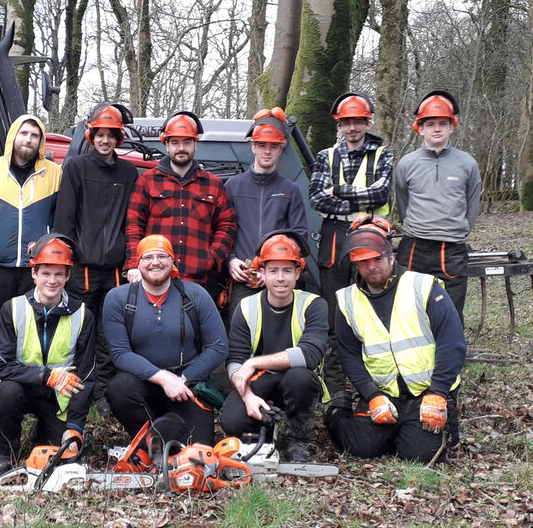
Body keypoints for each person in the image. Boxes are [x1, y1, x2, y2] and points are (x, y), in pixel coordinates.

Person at [325, 218, 466, 463]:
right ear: (356, 265)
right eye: (363, 262)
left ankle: (409, 431)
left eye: (377, 259)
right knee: (359, 447)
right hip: (385, 394)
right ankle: (337, 412)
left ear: (391, 257)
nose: (372, 267)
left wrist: (439, 392)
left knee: (420, 455)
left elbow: (452, 342)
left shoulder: (422, 287)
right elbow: (348, 355)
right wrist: (371, 395)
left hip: (426, 393)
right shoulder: (347, 301)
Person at [0, 235, 96, 476]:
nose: (51, 280)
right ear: (34, 274)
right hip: (22, 386)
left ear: (67, 275)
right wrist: (46, 375)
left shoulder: (83, 314)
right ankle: (2, 452)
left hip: (58, 396)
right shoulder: (12, 308)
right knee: (6, 392)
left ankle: (46, 431)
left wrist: (75, 426)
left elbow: (86, 376)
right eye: (45, 273)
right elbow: (1, 367)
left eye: (58, 274)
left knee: (63, 459)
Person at [307, 92, 394, 406]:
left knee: (373, 312)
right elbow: (317, 198)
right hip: (334, 235)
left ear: (368, 121)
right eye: (347, 122)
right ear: (339, 124)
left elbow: (382, 191)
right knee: (333, 317)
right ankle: (335, 389)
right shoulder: (325, 156)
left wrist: (340, 191)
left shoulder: (382, 153)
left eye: (358, 121)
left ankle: (377, 384)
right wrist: (362, 199)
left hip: (369, 234)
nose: (353, 127)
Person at [102, 234, 228, 445]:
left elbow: (219, 347)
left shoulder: (195, 295)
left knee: (196, 449)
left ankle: (167, 437)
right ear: (138, 263)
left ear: (172, 261)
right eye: (148, 257)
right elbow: (120, 353)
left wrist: (183, 378)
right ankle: (149, 444)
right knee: (119, 388)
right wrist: (163, 378)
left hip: (186, 384)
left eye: (162, 256)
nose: (155, 262)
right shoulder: (118, 298)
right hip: (142, 383)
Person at [53, 102, 137, 405]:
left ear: (118, 138)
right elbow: (65, 217)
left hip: (115, 269)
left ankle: (102, 394)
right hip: (81, 267)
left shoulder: (129, 172)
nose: (105, 140)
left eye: (111, 135)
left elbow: (132, 220)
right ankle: (77, 389)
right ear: (92, 136)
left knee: (109, 332)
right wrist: (66, 258)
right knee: (78, 330)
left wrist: (131, 260)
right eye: (100, 134)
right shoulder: (76, 167)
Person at [0, 114, 63, 383]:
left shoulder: (54, 173)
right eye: (24, 133)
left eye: (35, 135)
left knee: (33, 324)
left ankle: (30, 379)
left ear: (40, 141)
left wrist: (47, 243)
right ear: (13, 137)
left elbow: (61, 215)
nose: (28, 139)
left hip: (37, 266)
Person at [221, 232, 328, 461]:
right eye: (273, 271)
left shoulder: (313, 304)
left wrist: (254, 362)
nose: (281, 278)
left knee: (301, 377)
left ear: (298, 273)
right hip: (260, 381)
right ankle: (266, 432)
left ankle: (296, 440)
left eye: (287, 271)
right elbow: (235, 361)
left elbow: (310, 355)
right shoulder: (246, 307)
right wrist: (247, 395)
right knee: (231, 420)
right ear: (262, 273)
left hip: (296, 381)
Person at [125, 110, 237, 307]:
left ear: (196, 143)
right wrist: (135, 263)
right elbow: (134, 225)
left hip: (198, 283)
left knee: (195, 335)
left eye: (187, 142)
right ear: (166, 144)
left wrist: (212, 258)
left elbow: (228, 224)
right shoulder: (147, 181)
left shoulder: (213, 184)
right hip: (154, 280)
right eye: (175, 142)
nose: (181, 148)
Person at [394, 90, 482, 320]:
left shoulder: (467, 163)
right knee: (409, 305)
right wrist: (416, 226)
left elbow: (472, 204)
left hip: (451, 248)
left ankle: (449, 354)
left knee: (451, 310)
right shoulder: (407, 164)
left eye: (443, 123)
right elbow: (403, 202)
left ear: (452, 126)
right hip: (415, 245)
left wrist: (459, 229)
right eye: (430, 123)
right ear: (420, 128)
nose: (437, 129)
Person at [223, 108, 312, 327]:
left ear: (281, 149)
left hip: (278, 279)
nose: (267, 151)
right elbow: (223, 230)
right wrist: (230, 261)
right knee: (241, 339)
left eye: (273, 146)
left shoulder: (289, 190)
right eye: (262, 145)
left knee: (279, 340)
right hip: (243, 278)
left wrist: (273, 268)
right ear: (253, 146)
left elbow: (299, 236)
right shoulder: (233, 186)